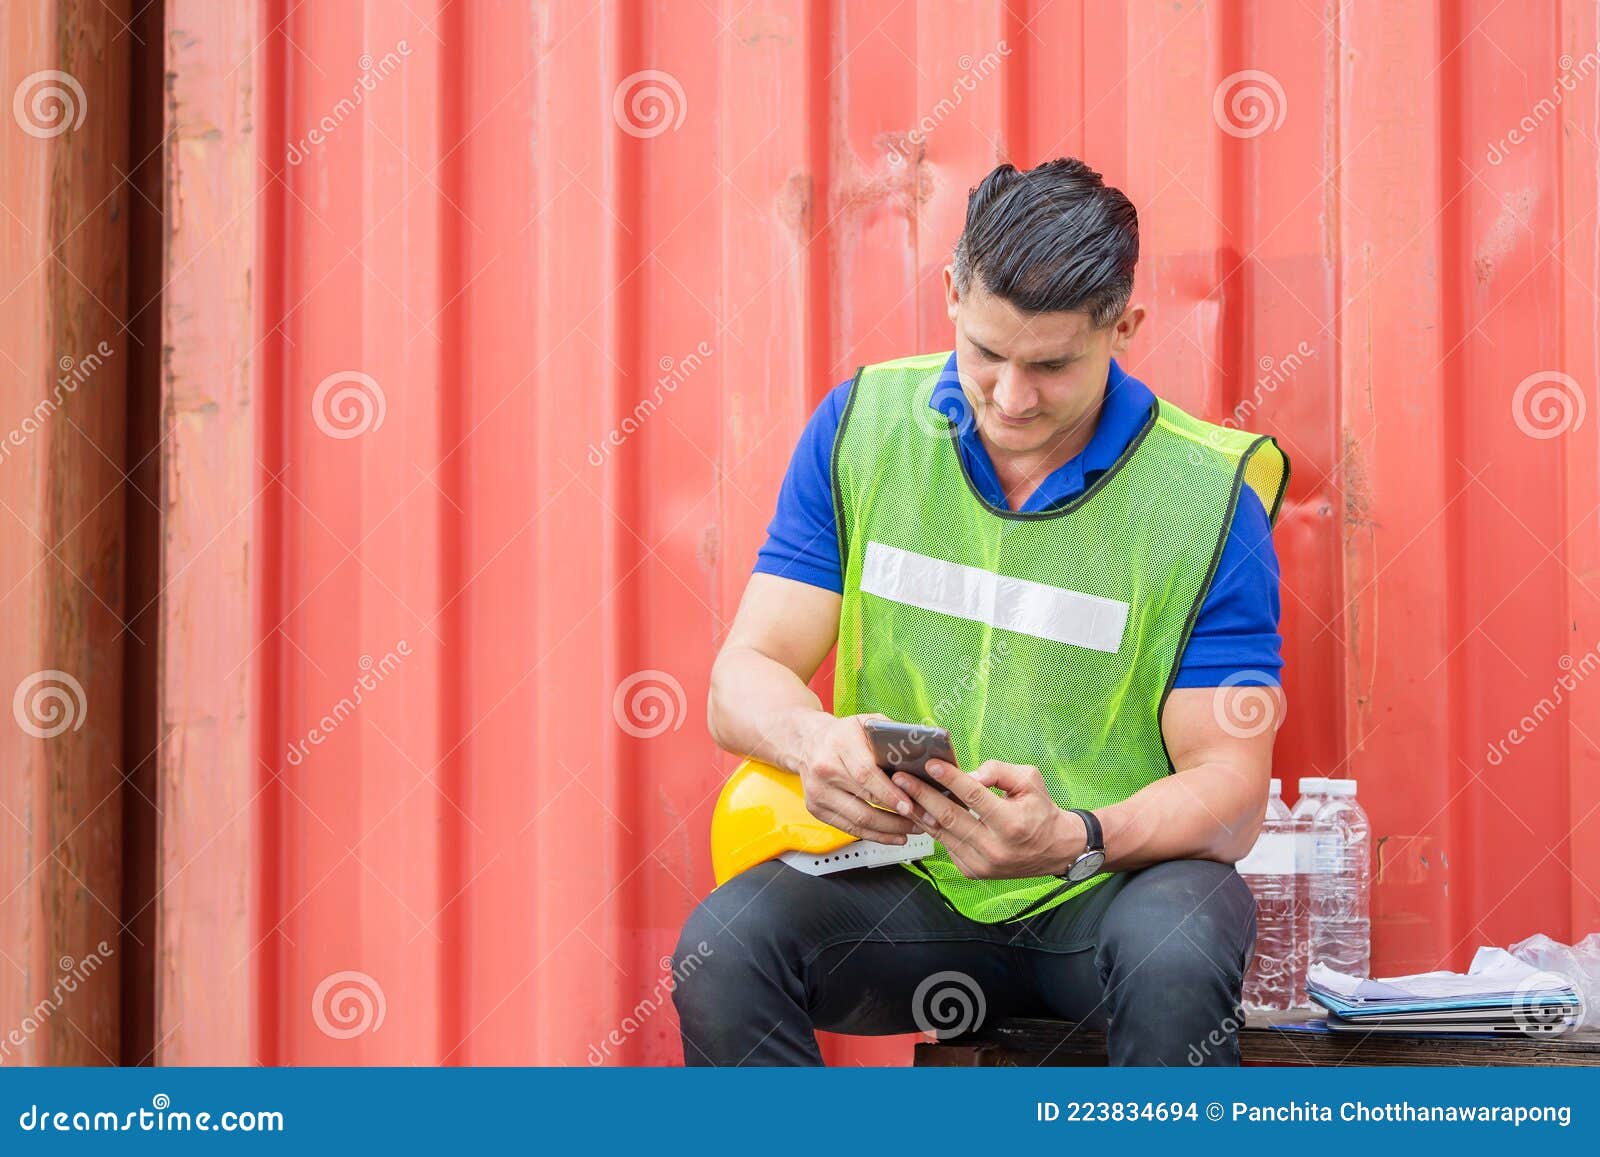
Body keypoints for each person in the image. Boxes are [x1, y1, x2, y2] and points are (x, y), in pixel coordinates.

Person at [672, 157, 1289, 1066]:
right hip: (910, 888)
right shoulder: (862, 426)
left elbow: (1230, 793)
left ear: (1125, 326)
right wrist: (818, 744)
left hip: (1101, 890)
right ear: (953, 294)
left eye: (1052, 366)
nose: (1010, 398)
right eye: (987, 354)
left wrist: (1077, 837)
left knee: (1183, 940)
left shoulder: (1207, 495)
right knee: (720, 954)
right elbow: (743, 677)